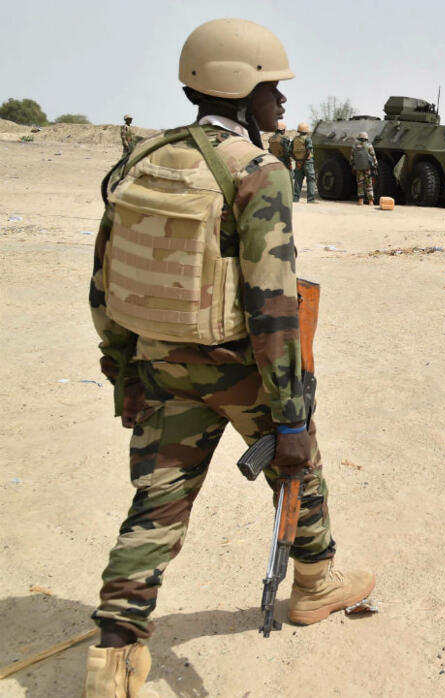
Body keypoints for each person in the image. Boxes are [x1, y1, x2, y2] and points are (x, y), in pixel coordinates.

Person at [85, 18, 373, 697]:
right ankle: (313, 585)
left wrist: (123, 371)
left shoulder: (142, 159)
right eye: (273, 88)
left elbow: (105, 280)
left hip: (158, 364)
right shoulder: (258, 171)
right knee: (302, 474)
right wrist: (293, 420)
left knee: (154, 510)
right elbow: (272, 304)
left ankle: (113, 660)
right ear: (243, 91)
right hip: (239, 368)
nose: (283, 103)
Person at [290, 121, 318, 203]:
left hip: (298, 162)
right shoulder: (307, 139)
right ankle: (310, 199)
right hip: (307, 162)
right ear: (306, 130)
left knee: (298, 180)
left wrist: (297, 160)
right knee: (310, 180)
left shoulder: (295, 139)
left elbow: (290, 151)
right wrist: (303, 161)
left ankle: (295, 198)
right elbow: (308, 151)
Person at [351, 131, 377, 206]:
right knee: (369, 184)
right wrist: (375, 166)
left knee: (360, 184)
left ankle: (360, 201)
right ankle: (371, 201)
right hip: (367, 168)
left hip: (358, 168)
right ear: (366, 138)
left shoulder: (354, 146)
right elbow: (373, 156)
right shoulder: (369, 146)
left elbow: (352, 158)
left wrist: (353, 166)